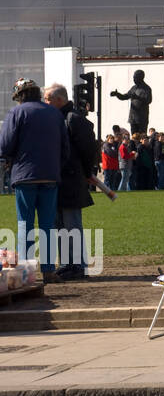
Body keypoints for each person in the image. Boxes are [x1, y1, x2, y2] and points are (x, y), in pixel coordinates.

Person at [0, 79, 68, 282]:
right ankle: (48, 271)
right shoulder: (55, 114)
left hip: (24, 176)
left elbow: (4, 146)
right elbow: (65, 148)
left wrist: (10, 160)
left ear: (19, 96)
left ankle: (26, 273)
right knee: (47, 225)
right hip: (50, 175)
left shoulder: (17, 113)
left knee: (25, 224)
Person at [44, 84, 97, 280]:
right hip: (60, 178)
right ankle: (67, 264)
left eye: (48, 99)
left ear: (59, 99)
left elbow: (88, 147)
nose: (45, 102)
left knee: (72, 223)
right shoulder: (60, 118)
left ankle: (78, 265)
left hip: (72, 178)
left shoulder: (73, 118)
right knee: (60, 224)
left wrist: (85, 170)